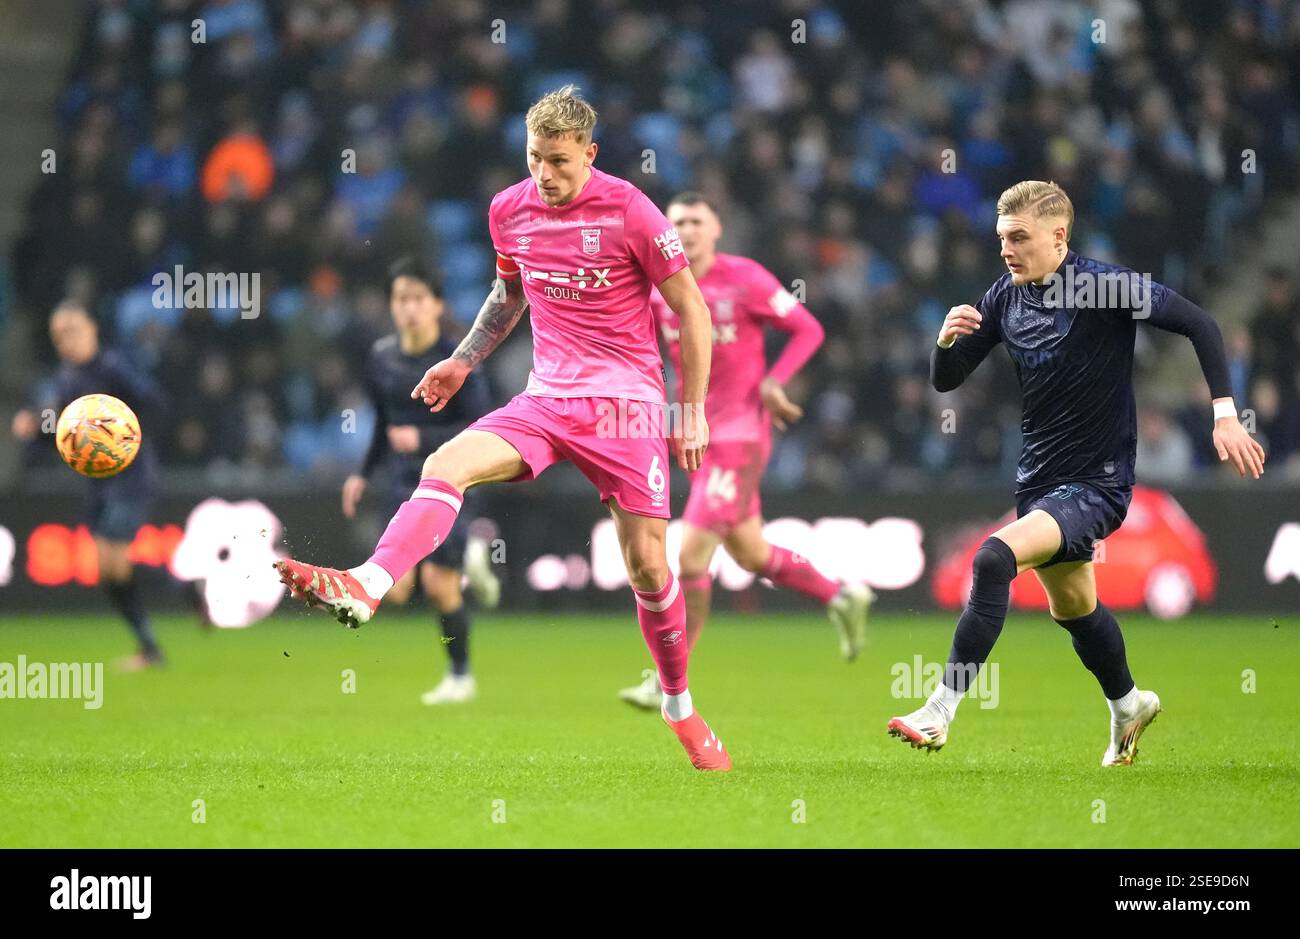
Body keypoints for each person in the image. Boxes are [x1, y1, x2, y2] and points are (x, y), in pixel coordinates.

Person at [274, 86, 731, 770]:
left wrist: (689, 407)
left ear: (589, 154)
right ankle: (368, 585)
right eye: (534, 158)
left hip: (626, 406)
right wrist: (461, 361)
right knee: (444, 465)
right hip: (546, 399)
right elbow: (510, 291)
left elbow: (691, 310)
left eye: (558, 161)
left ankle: (679, 705)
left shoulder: (631, 210)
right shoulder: (508, 209)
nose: (544, 174)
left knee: (647, 565)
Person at [887, 180, 1266, 766]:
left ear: (1059, 236)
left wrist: (1224, 414)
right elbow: (947, 379)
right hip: (1038, 480)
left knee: (991, 559)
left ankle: (939, 710)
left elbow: (1201, 324)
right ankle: (1129, 704)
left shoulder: (1103, 286)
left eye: (1019, 237)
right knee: (1074, 609)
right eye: (1001, 238)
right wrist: (943, 342)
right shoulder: (1004, 297)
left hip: (1097, 482)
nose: (1007, 250)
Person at [619, 193, 874, 710]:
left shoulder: (746, 278)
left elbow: (808, 328)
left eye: (696, 221)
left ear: (716, 229)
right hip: (694, 438)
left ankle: (669, 682)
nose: (686, 229)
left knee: (690, 555)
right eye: (677, 222)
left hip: (739, 437)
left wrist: (774, 382)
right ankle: (843, 595)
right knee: (751, 553)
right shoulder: (659, 290)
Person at [343, 257, 498, 705]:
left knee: (438, 587)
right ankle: (471, 555)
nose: (409, 308)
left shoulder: (458, 360)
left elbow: (485, 425)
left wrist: (423, 437)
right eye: (401, 299)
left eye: (418, 299)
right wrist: (361, 473)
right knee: (396, 590)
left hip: (453, 480)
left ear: (436, 305)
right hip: (401, 483)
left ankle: (460, 675)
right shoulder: (382, 357)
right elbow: (382, 424)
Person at [12, 302, 167, 670]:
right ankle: (155, 636)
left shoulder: (114, 367)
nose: (68, 340)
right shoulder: (66, 379)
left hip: (130, 476)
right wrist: (34, 428)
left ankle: (166, 619)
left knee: (116, 561)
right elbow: (57, 431)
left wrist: (116, 426)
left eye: (74, 330)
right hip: (97, 482)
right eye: (60, 335)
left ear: (92, 329)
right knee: (107, 569)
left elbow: (155, 402)